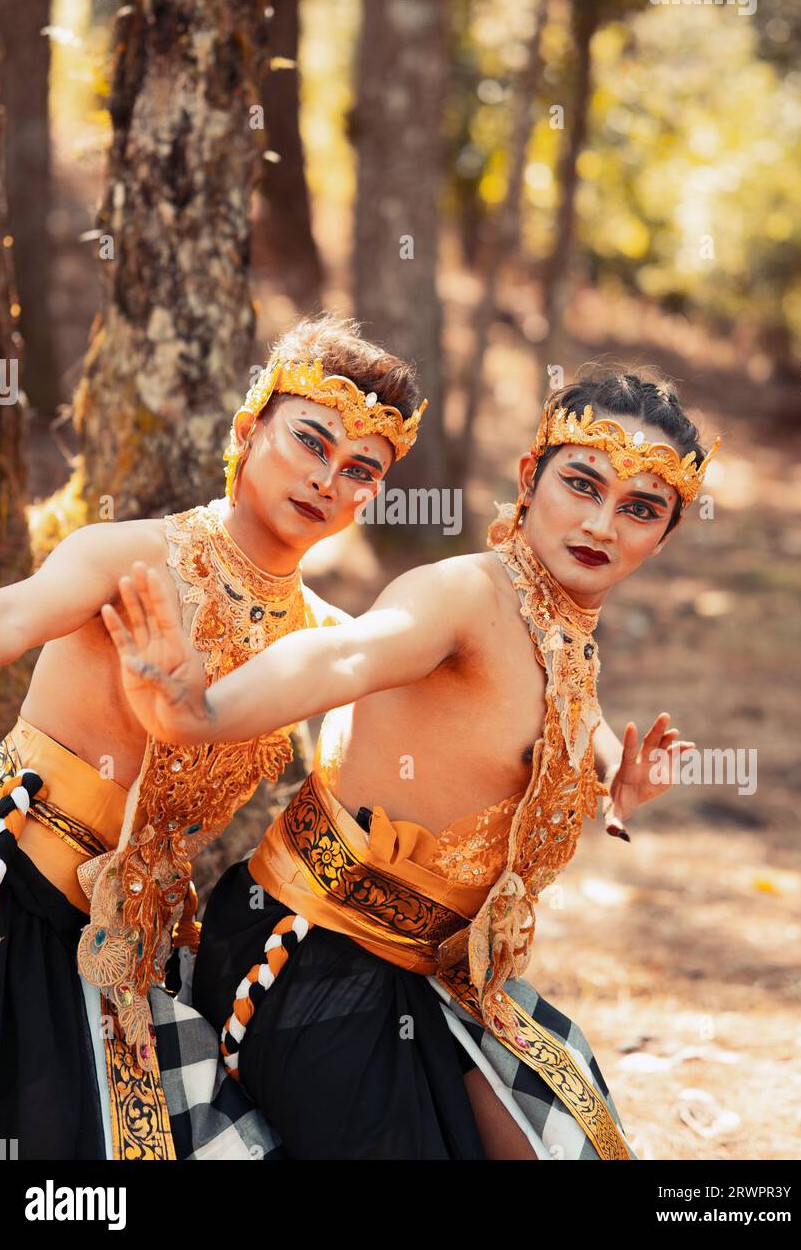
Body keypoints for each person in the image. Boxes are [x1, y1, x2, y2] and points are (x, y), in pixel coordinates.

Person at [104, 369, 722, 1161]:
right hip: (307, 954)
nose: (601, 524)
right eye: (582, 485)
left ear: (664, 533)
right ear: (530, 480)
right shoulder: (462, 594)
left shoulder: (562, 624)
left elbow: (571, 710)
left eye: (640, 509)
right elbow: (347, 653)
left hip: (438, 974)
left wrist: (614, 779)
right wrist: (202, 713)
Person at [0, 314, 426, 1159]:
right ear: (247, 430)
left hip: (126, 955)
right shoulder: (129, 555)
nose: (328, 478)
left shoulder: (321, 640)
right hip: (7, 888)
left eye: (360, 469)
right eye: (310, 441)